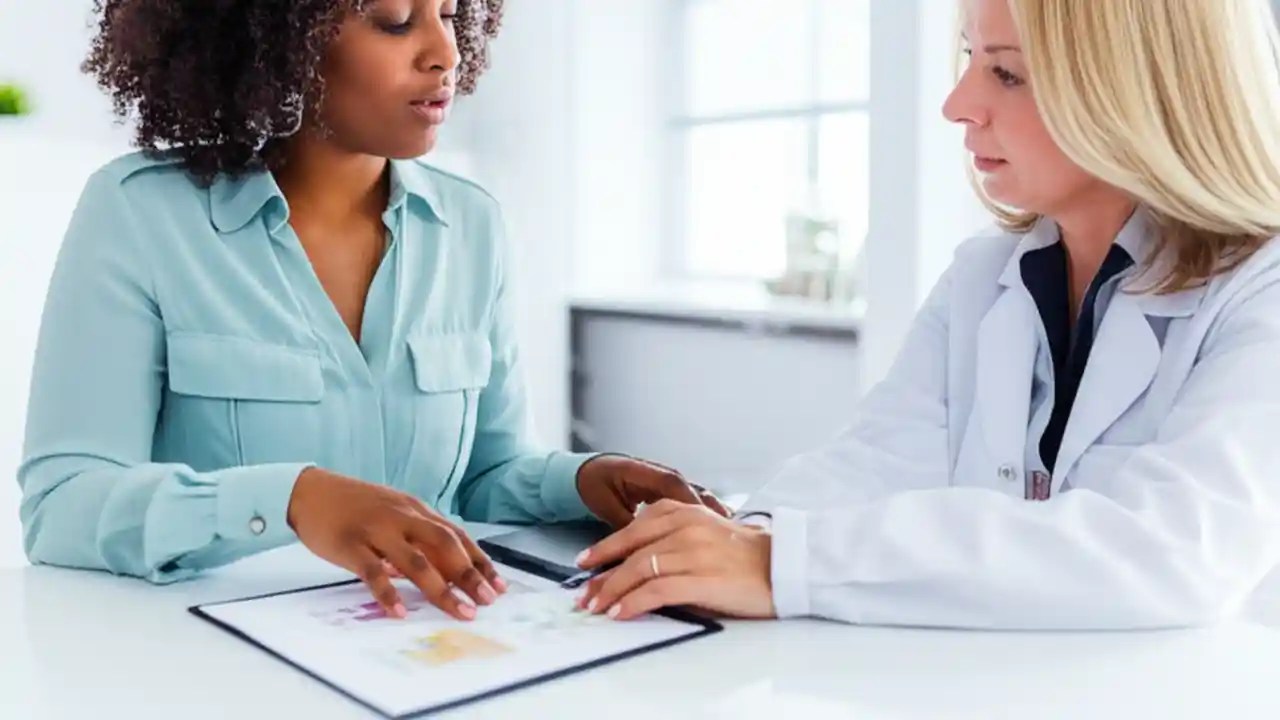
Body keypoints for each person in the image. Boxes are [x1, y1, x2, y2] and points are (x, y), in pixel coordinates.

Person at [574, 0, 1280, 630]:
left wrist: (784, 563)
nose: (957, 104)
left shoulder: (1259, 288)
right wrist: (740, 535)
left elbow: (1174, 550)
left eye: (1006, 74)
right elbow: (879, 457)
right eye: (972, 58)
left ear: (1136, 89)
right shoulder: (983, 274)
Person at [18, 0, 727, 622]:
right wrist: (291, 499)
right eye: (394, 21)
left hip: (427, 662)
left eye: (449, 16)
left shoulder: (471, 225)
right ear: (283, 37)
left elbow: (484, 474)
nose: (444, 54)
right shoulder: (140, 213)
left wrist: (581, 479)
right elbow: (64, 504)